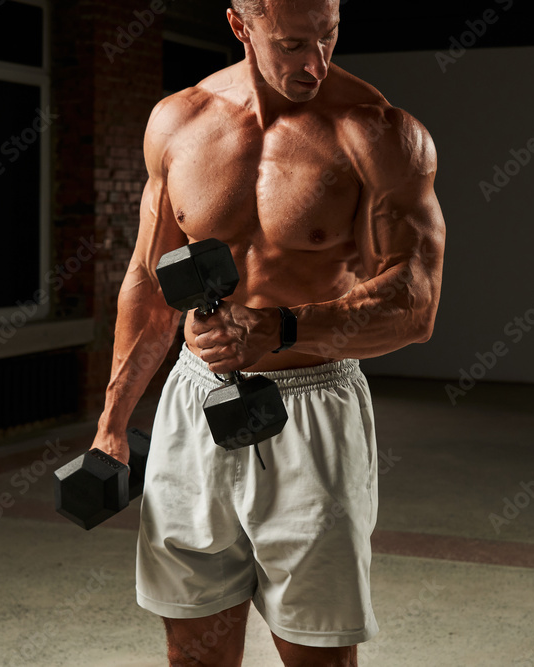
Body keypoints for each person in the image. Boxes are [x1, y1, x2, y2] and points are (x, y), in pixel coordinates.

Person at [90, 0, 445, 664]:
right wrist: (113, 421)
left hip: (310, 403)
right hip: (196, 402)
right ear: (239, 25)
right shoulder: (178, 122)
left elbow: (417, 299)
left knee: (316, 655)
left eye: (330, 36)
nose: (316, 63)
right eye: (292, 45)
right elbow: (149, 277)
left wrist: (284, 326)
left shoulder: (376, 132)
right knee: (193, 651)